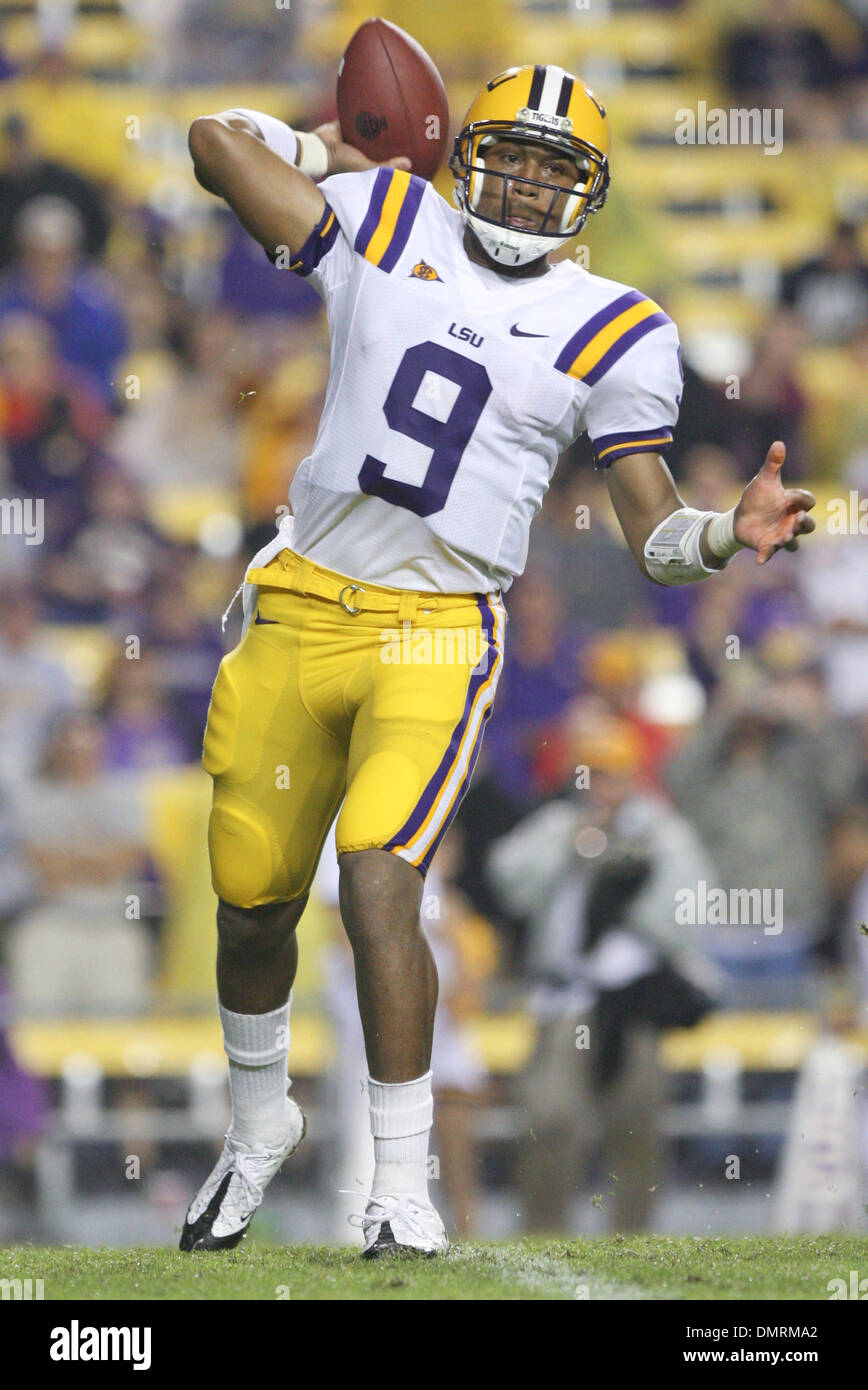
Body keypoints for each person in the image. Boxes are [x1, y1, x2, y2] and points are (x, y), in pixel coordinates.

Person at [181, 63, 816, 1258]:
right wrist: (337, 143)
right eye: (511, 156)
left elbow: (659, 540)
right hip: (301, 599)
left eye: (555, 167)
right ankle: (257, 1127)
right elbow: (215, 145)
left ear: (588, 190)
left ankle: (401, 1183)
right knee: (251, 903)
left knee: (380, 871)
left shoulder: (621, 323)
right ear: (465, 153)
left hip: (438, 625)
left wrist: (731, 530)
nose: (527, 185)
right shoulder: (390, 210)